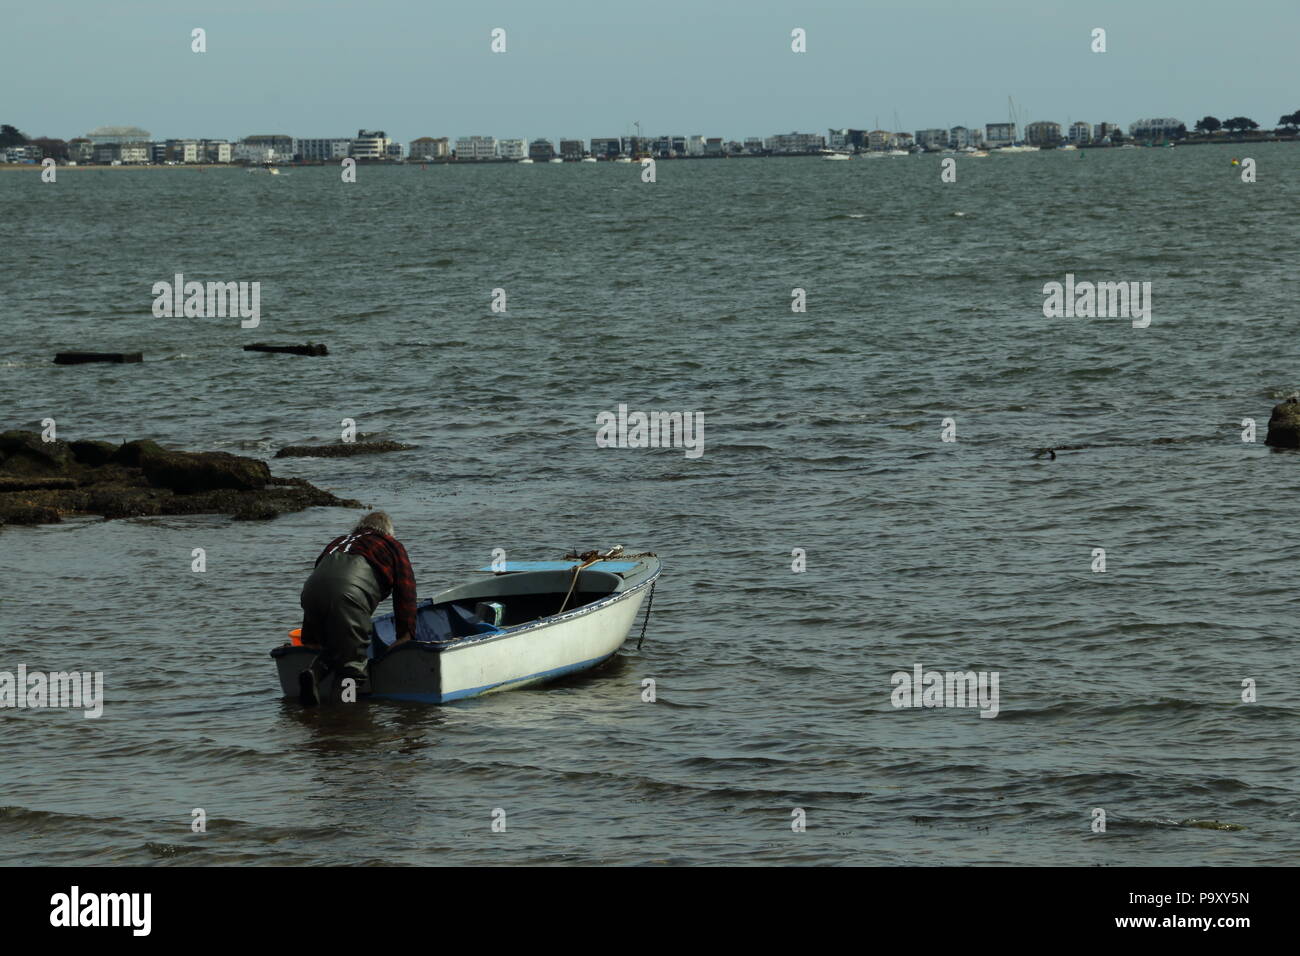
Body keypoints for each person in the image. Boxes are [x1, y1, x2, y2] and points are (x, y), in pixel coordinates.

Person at [297, 511, 416, 705]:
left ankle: (313, 674)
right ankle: (346, 709)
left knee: (338, 646)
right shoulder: (391, 545)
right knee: (353, 665)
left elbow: (321, 584)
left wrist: (309, 638)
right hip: (349, 596)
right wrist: (405, 634)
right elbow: (406, 591)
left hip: (310, 594)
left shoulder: (337, 542)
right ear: (388, 532)